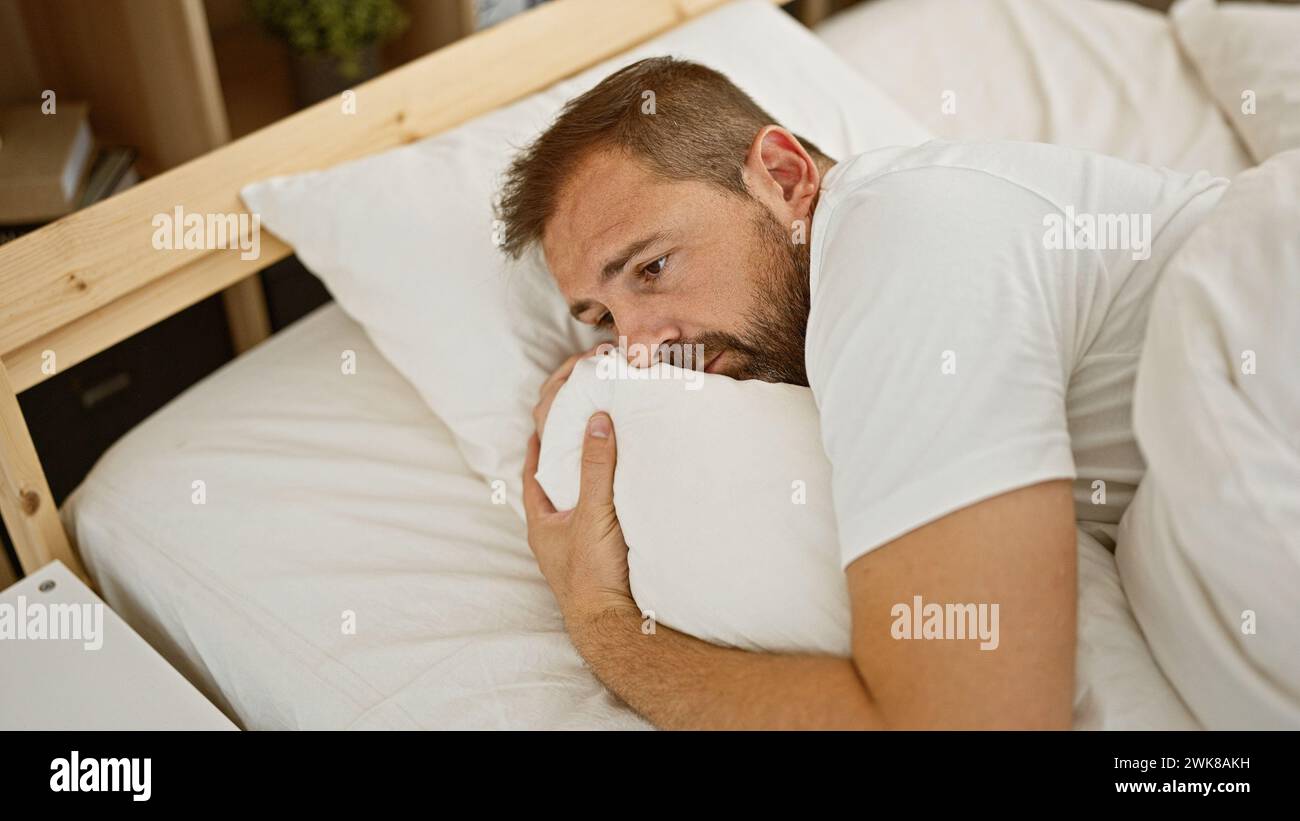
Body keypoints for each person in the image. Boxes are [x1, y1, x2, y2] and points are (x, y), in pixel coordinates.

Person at [496, 57, 1226, 729]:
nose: (643, 350)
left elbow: (970, 720)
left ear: (783, 177)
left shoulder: (899, 242)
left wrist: (601, 622)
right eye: (604, 321)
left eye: (652, 268)